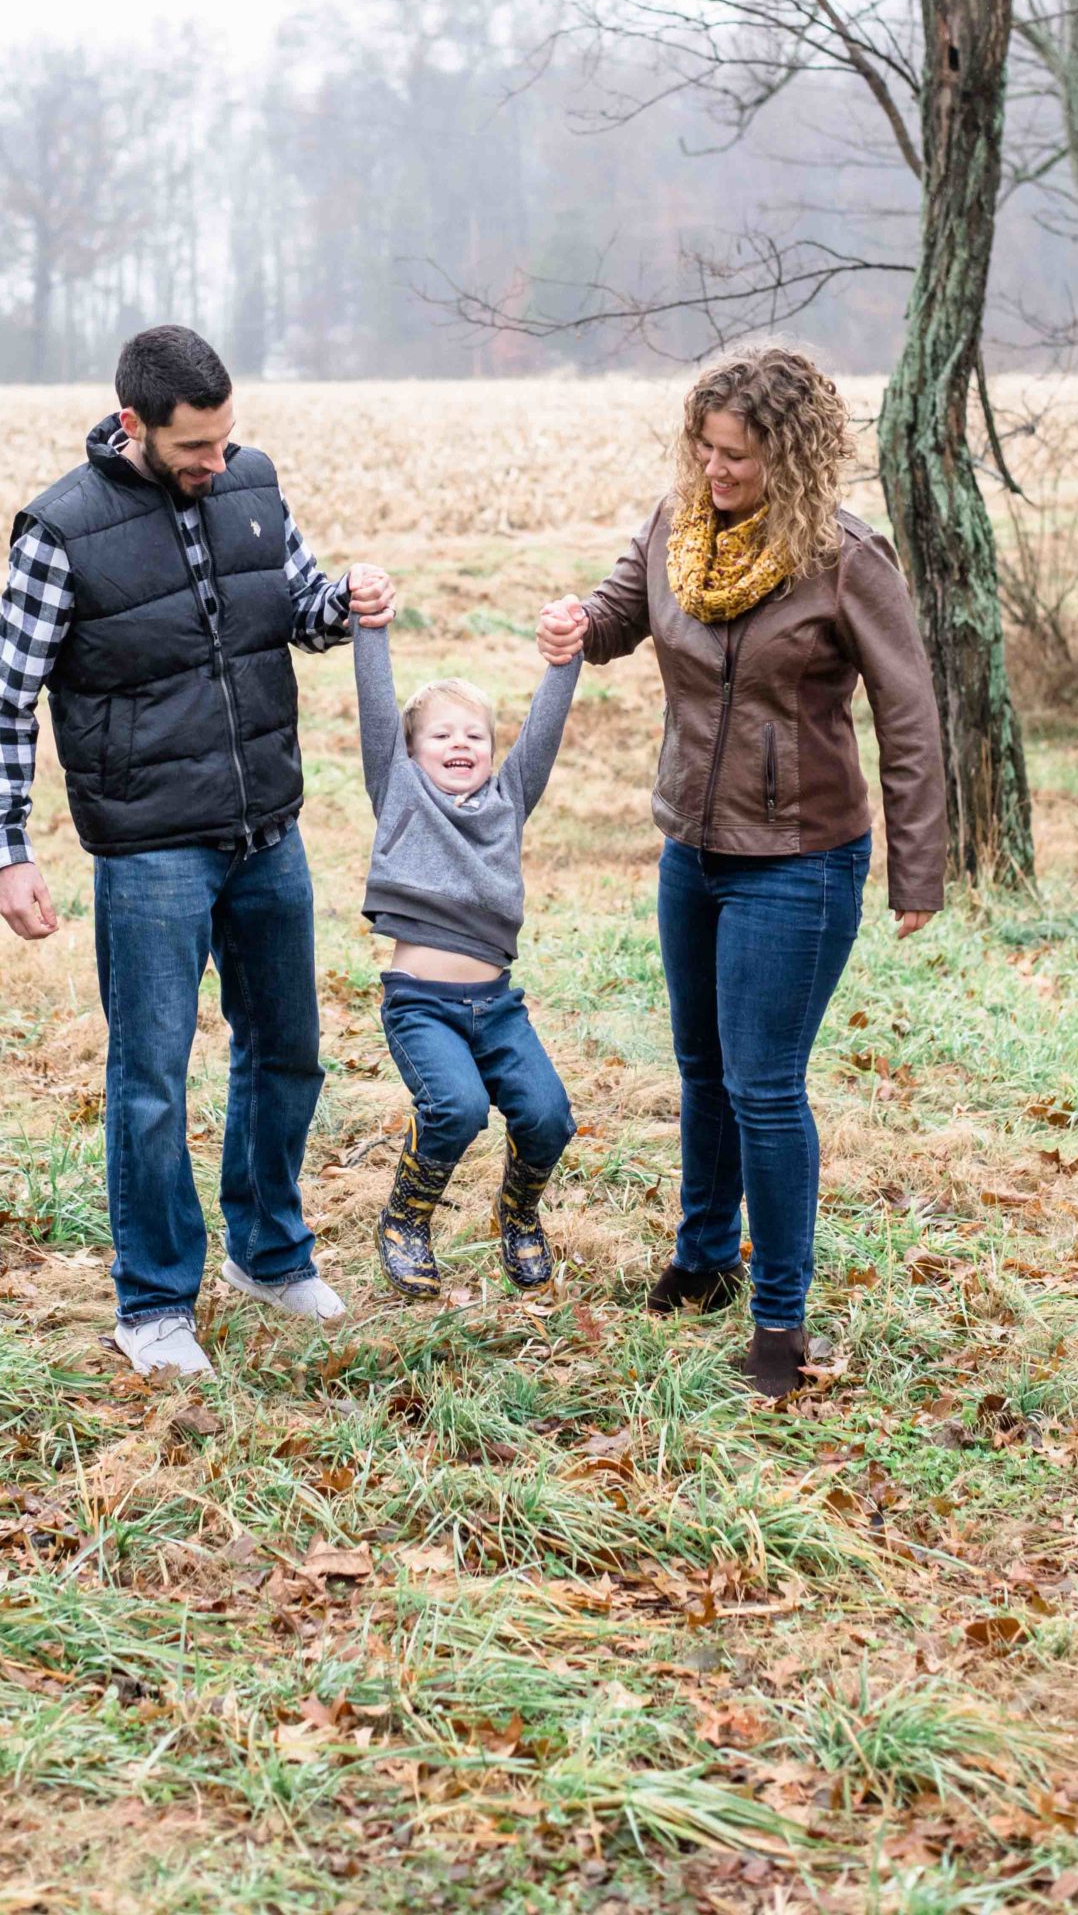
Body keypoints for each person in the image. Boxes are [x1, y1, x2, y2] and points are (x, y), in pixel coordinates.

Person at [0, 324, 396, 1378]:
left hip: (268, 834)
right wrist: (7, 846)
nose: (217, 463)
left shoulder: (252, 485)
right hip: (151, 849)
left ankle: (270, 1254)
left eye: (226, 440)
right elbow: (5, 698)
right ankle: (155, 1304)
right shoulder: (61, 532)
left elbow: (293, 603)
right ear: (134, 426)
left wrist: (345, 601)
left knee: (287, 1053)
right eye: (196, 447)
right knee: (152, 1079)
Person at [537, 346, 945, 1401]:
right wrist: (579, 623)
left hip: (802, 860)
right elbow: (620, 617)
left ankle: (779, 1320)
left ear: (793, 457)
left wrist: (916, 868)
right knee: (702, 1069)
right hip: (694, 845)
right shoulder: (676, 532)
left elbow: (908, 717)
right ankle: (705, 1255)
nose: (718, 471)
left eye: (742, 457)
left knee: (765, 1086)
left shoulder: (846, 559)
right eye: (708, 449)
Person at [352, 620, 581, 1298]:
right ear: (410, 749)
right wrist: (371, 627)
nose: (460, 744)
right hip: (421, 1003)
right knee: (455, 1107)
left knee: (548, 1116)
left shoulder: (506, 803)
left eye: (474, 735)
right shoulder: (398, 792)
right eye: (442, 735)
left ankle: (517, 1215)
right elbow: (375, 705)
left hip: (496, 1006)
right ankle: (406, 1219)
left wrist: (564, 661)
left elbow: (542, 731)